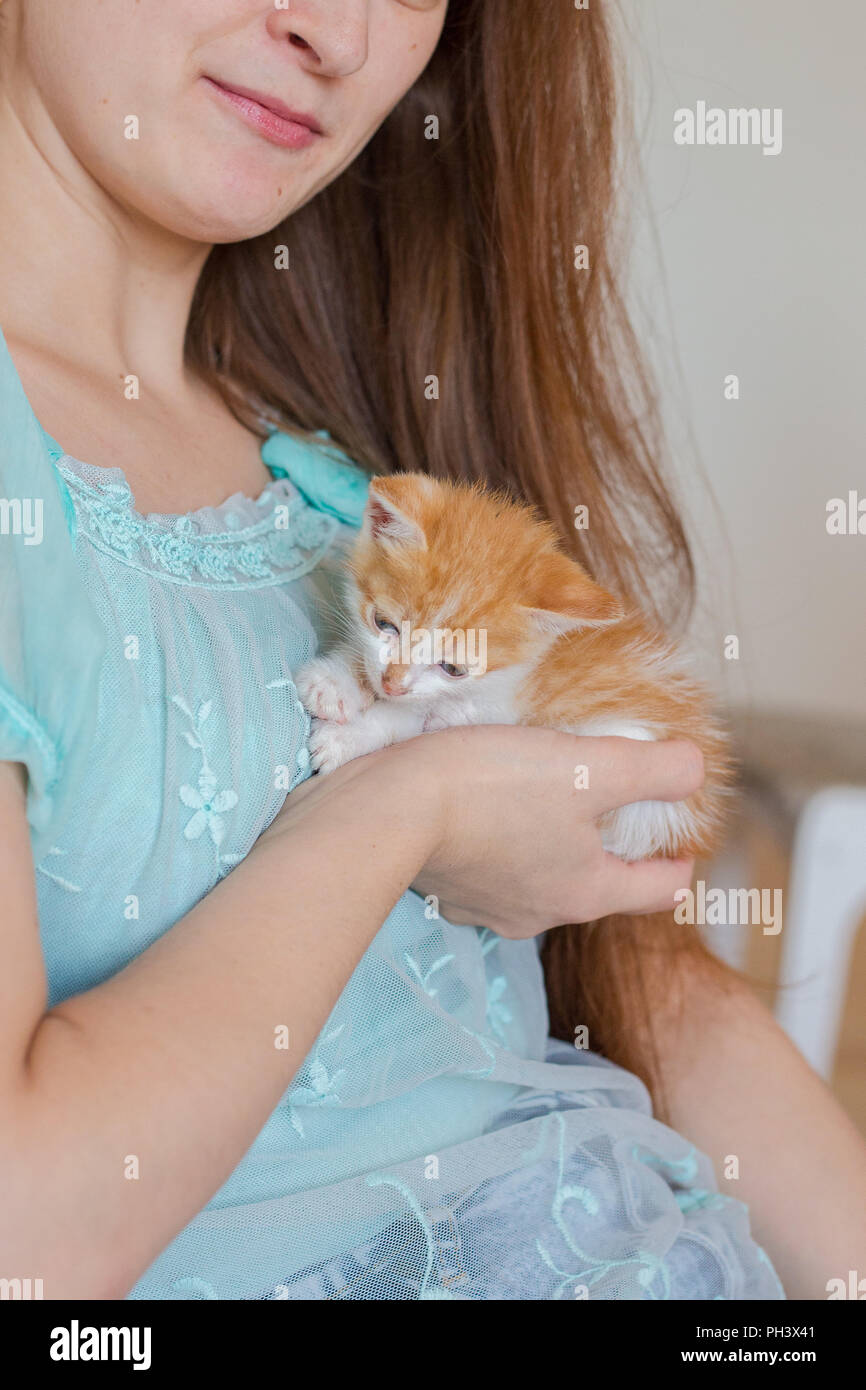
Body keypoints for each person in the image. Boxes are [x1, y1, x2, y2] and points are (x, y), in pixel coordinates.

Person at [0, 0, 863, 1301]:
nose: (338, 33)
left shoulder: (354, 501)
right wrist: (406, 805)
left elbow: (643, 987)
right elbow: (28, 1242)